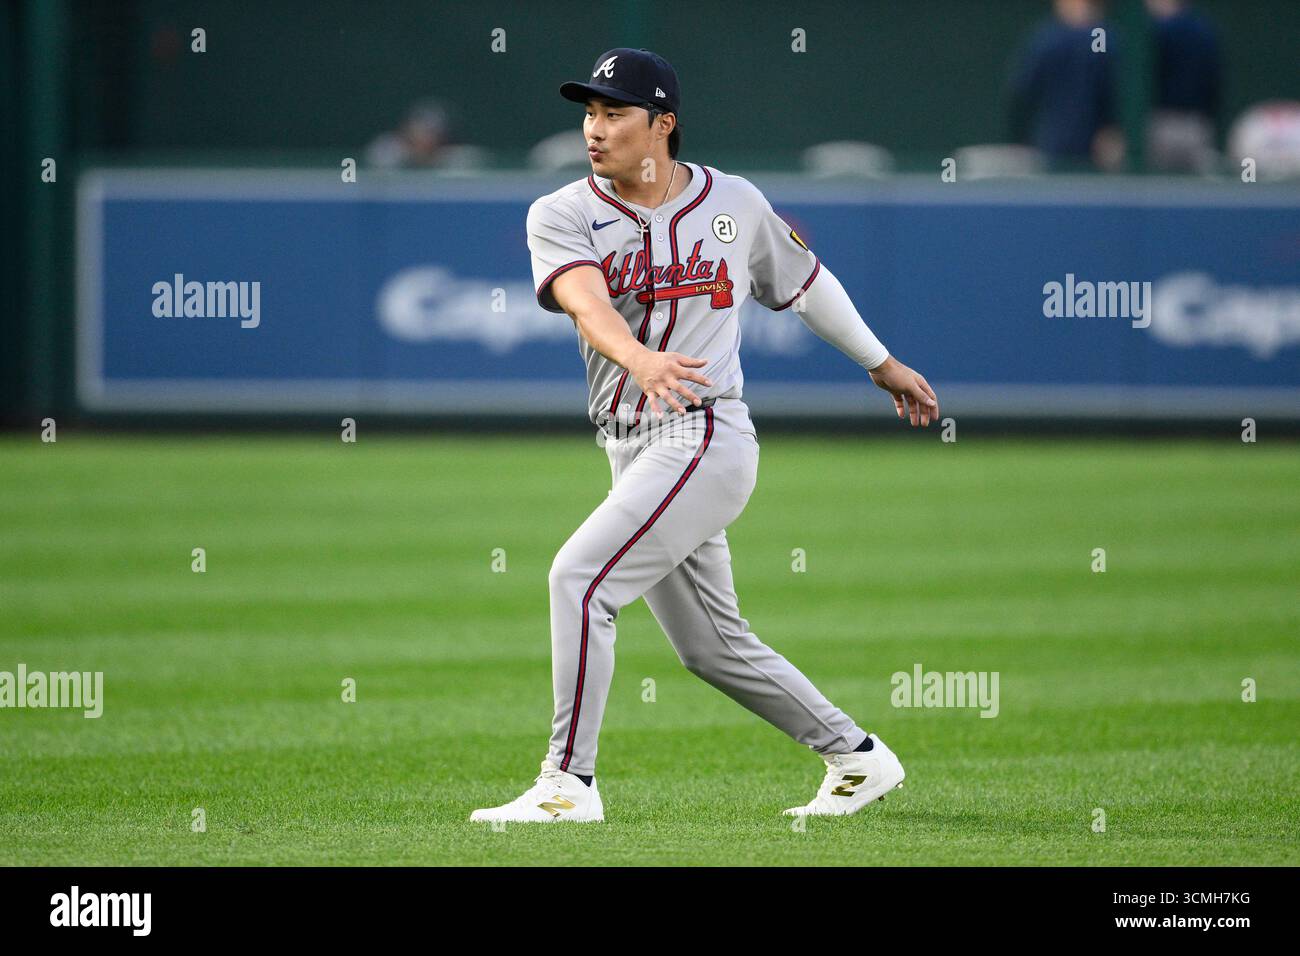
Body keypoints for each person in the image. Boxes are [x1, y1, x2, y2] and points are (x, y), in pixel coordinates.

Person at [470, 48, 938, 824]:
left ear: (663, 124)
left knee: (579, 581)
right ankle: (858, 757)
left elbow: (806, 284)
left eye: (615, 112)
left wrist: (879, 361)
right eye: (588, 112)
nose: (595, 128)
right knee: (711, 648)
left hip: (704, 434)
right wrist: (638, 356)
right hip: (630, 442)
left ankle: (566, 784)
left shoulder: (735, 202)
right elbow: (586, 302)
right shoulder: (561, 212)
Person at [1008, 0, 1124, 171]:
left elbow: (1020, 93)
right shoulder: (1048, 40)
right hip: (1057, 148)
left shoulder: (1050, 40)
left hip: (1089, 151)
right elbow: (1022, 93)